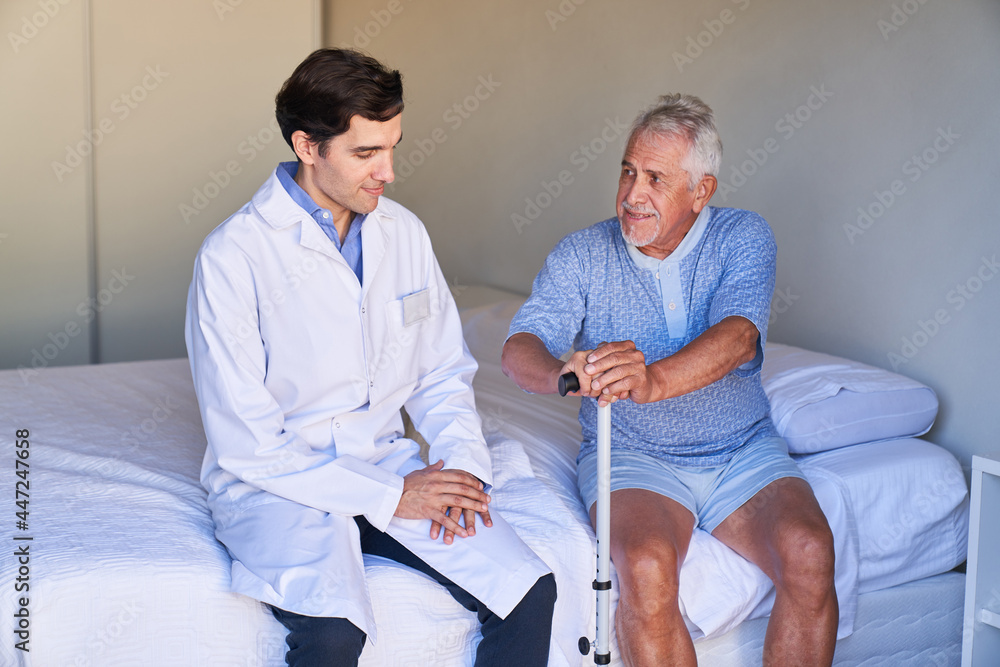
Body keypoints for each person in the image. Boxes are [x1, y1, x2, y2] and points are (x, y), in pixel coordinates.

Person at [185, 48, 555, 667]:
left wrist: (463, 471)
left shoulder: (402, 232)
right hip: (280, 487)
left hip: (384, 460)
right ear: (308, 147)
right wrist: (393, 498)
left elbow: (440, 371)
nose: (387, 171)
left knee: (529, 593)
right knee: (334, 634)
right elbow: (248, 444)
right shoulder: (233, 256)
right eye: (365, 153)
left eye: (392, 147)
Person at [501, 94, 837, 666]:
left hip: (741, 450)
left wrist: (650, 381)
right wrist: (562, 371)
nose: (633, 194)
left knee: (810, 550)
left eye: (656, 178)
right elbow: (518, 348)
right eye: (629, 171)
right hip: (634, 457)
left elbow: (738, 337)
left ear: (701, 191)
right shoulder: (582, 254)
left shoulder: (742, 237)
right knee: (647, 566)